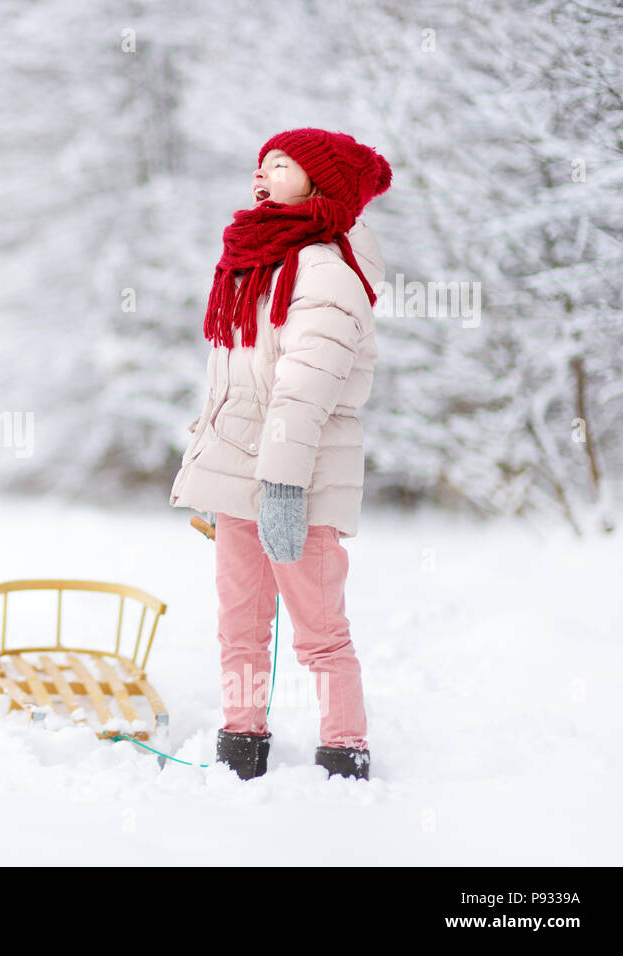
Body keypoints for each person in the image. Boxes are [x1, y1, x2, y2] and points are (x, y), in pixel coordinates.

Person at [169, 128, 391, 781]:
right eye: (260, 163)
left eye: (281, 163)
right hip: (242, 474)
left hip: (304, 478)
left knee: (319, 630)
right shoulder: (257, 261)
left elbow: (304, 390)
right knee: (240, 625)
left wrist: (283, 488)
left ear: (321, 183)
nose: (261, 173)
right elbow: (236, 388)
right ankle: (242, 740)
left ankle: (344, 748)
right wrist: (220, 479)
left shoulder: (323, 271)